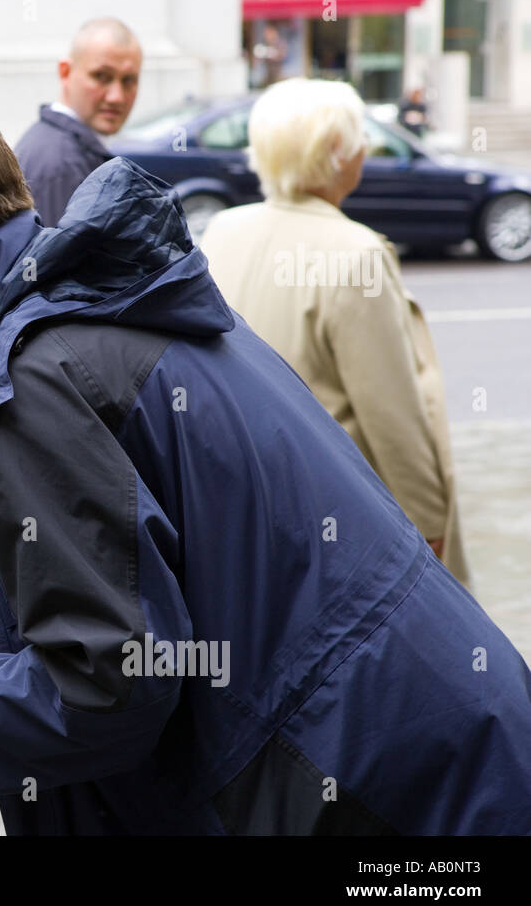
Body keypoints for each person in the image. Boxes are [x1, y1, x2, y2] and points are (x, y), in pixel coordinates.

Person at [0, 86, 531, 834]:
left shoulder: (34, 378)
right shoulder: (106, 296)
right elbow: (164, 510)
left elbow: (109, 687)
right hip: (440, 735)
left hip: (377, 782)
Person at [198, 78, 469, 587]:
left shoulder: (224, 230)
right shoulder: (355, 252)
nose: (366, 147)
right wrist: (430, 522)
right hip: (341, 520)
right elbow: (391, 410)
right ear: (337, 152)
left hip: (241, 508)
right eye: (358, 136)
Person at [14, 17, 140, 227]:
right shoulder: (60, 163)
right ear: (65, 72)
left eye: (128, 80)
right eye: (101, 76)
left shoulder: (62, 147)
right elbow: (55, 258)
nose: (116, 96)